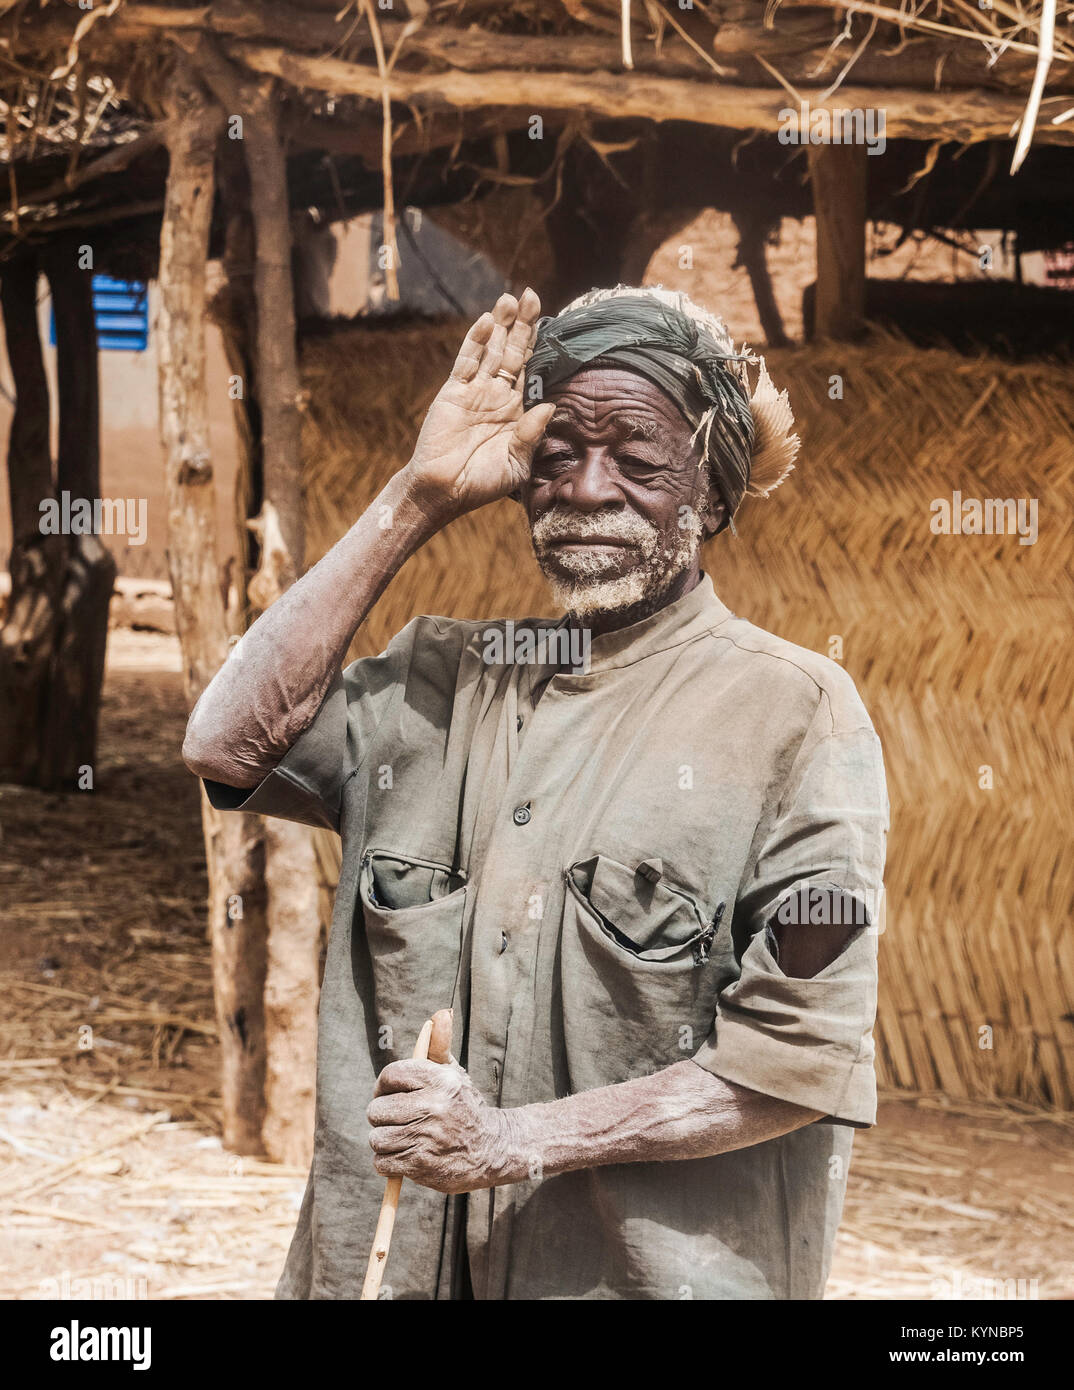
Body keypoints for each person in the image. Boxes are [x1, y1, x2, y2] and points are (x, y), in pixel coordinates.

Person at [183, 284, 889, 1300]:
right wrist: (417, 497)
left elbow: (794, 1060)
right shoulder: (436, 682)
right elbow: (223, 742)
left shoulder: (797, 717)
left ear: (714, 497)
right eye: (557, 455)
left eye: (639, 459)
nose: (589, 486)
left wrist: (509, 1141)